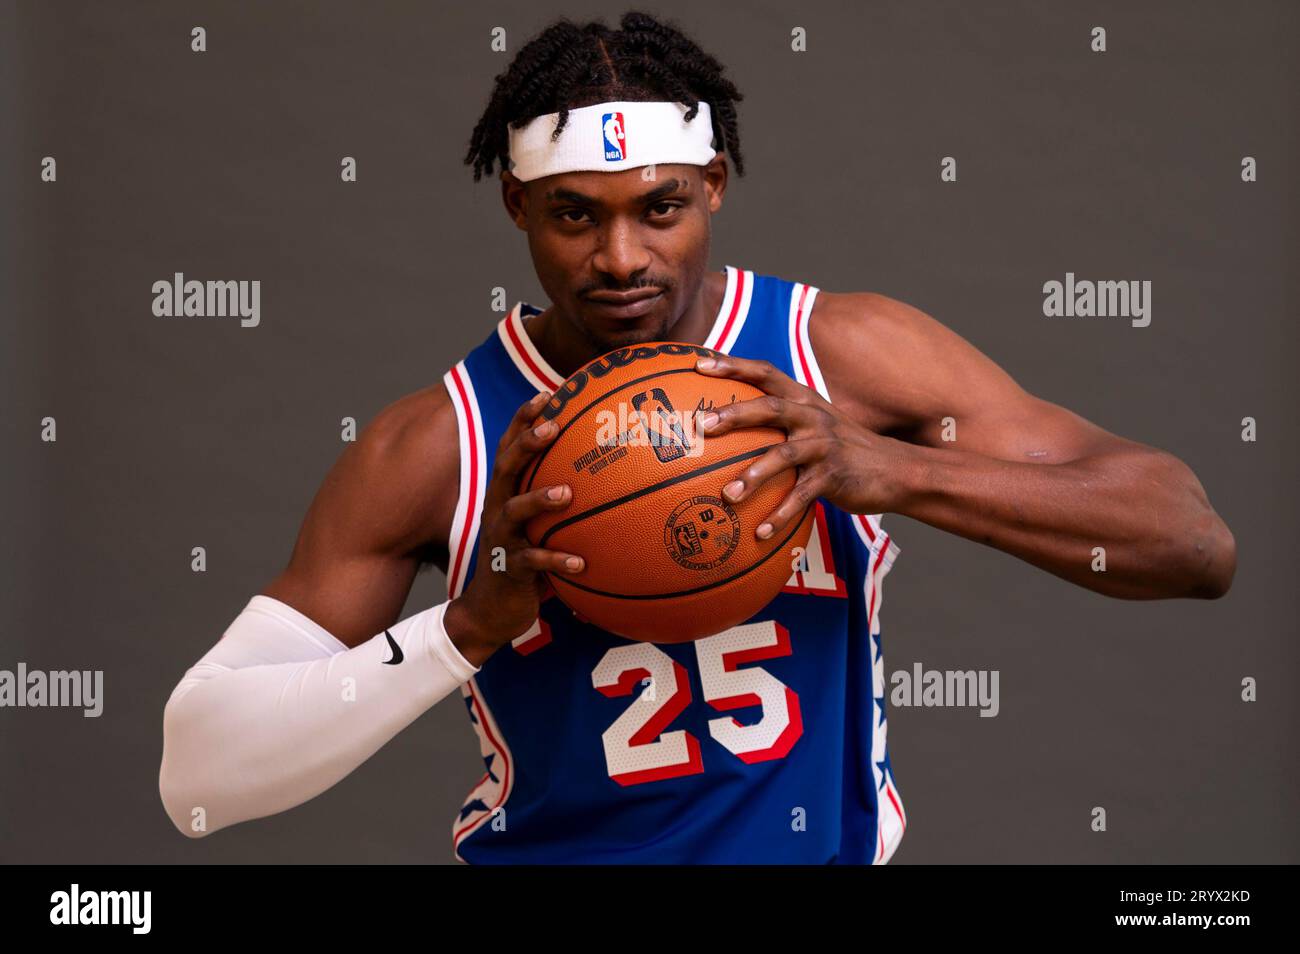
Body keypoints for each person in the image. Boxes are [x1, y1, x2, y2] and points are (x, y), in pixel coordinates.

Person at [158, 12, 1235, 863]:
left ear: (713, 186)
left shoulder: (841, 358)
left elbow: (1190, 544)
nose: (621, 257)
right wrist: (461, 630)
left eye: (660, 208)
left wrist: (891, 470)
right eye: (575, 214)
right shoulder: (443, 443)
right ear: (517, 207)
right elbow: (199, 781)